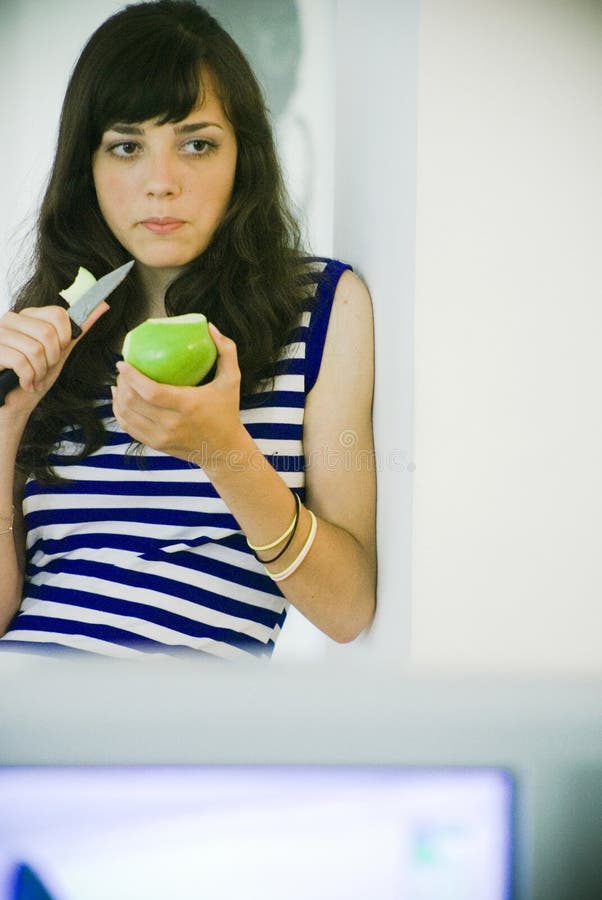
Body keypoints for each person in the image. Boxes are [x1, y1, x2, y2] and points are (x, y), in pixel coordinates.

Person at [0, 0, 376, 660]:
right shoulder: (53, 330)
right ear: (86, 168)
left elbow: (348, 609)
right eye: (126, 147)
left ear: (245, 159)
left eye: (196, 144)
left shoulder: (321, 307)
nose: (161, 184)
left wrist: (223, 450)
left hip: (179, 745)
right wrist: (5, 426)